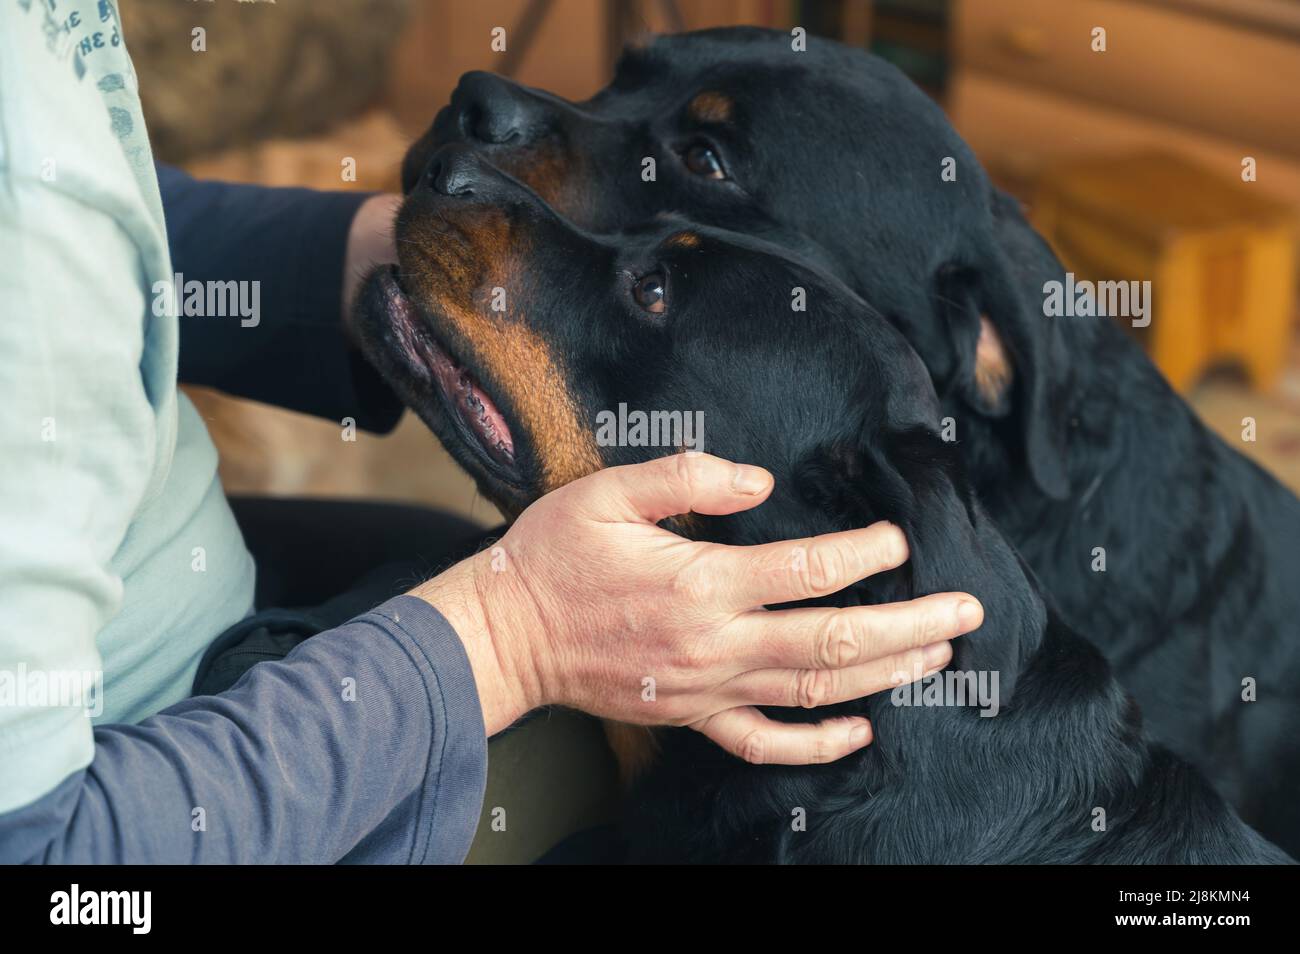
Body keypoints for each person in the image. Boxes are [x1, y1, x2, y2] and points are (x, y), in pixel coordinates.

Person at [0, 0, 982, 863]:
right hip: (156, 759)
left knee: (439, 553)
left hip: (155, 565)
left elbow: (106, 224)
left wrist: (369, 262)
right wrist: (518, 639)